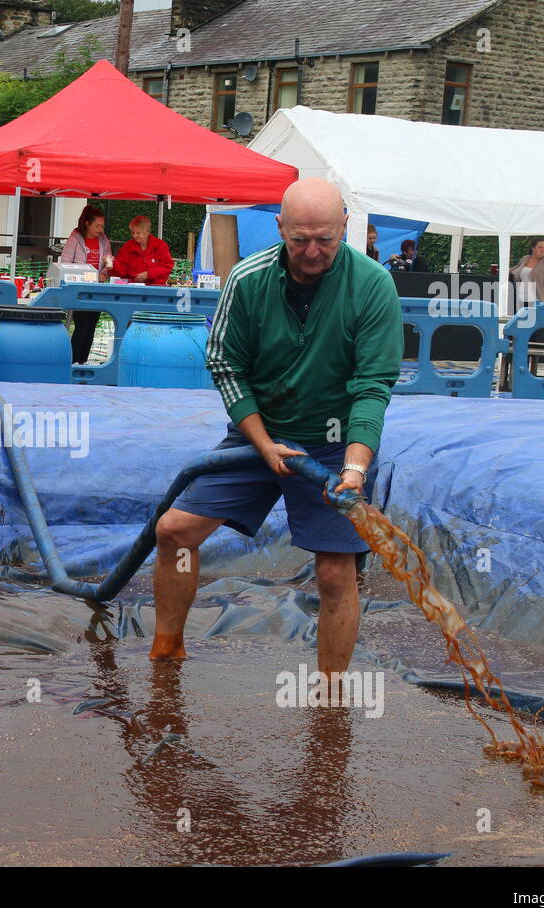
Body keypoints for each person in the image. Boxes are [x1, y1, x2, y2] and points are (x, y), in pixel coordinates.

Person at [149, 178, 402, 694]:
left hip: (333, 446)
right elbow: (225, 363)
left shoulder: (372, 285)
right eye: (300, 238)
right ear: (280, 228)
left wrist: (354, 468)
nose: (312, 252)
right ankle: (167, 647)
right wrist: (261, 443)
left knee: (335, 574)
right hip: (259, 432)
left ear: (344, 229)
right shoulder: (248, 279)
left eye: (326, 240)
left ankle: (331, 691)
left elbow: (372, 385)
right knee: (174, 531)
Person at [60, 205, 112, 364]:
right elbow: (65, 262)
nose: (101, 229)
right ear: (87, 224)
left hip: (96, 290)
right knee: (82, 325)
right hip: (80, 290)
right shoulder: (75, 237)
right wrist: (78, 276)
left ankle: (82, 362)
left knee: (91, 327)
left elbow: (109, 259)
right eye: (97, 225)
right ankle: (74, 361)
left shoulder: (103, 240)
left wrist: (105, 270)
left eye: (102, 226)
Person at [111, 215, 174, 286]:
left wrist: (149, 274)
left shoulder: (160, 245)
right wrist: (112, 265)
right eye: (132, 232)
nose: (134, 236)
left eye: (138, 233)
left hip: (156, 288)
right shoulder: (127, 247)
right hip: (133, 288)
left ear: (147, 232)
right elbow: (121, 270)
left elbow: (167, 266)